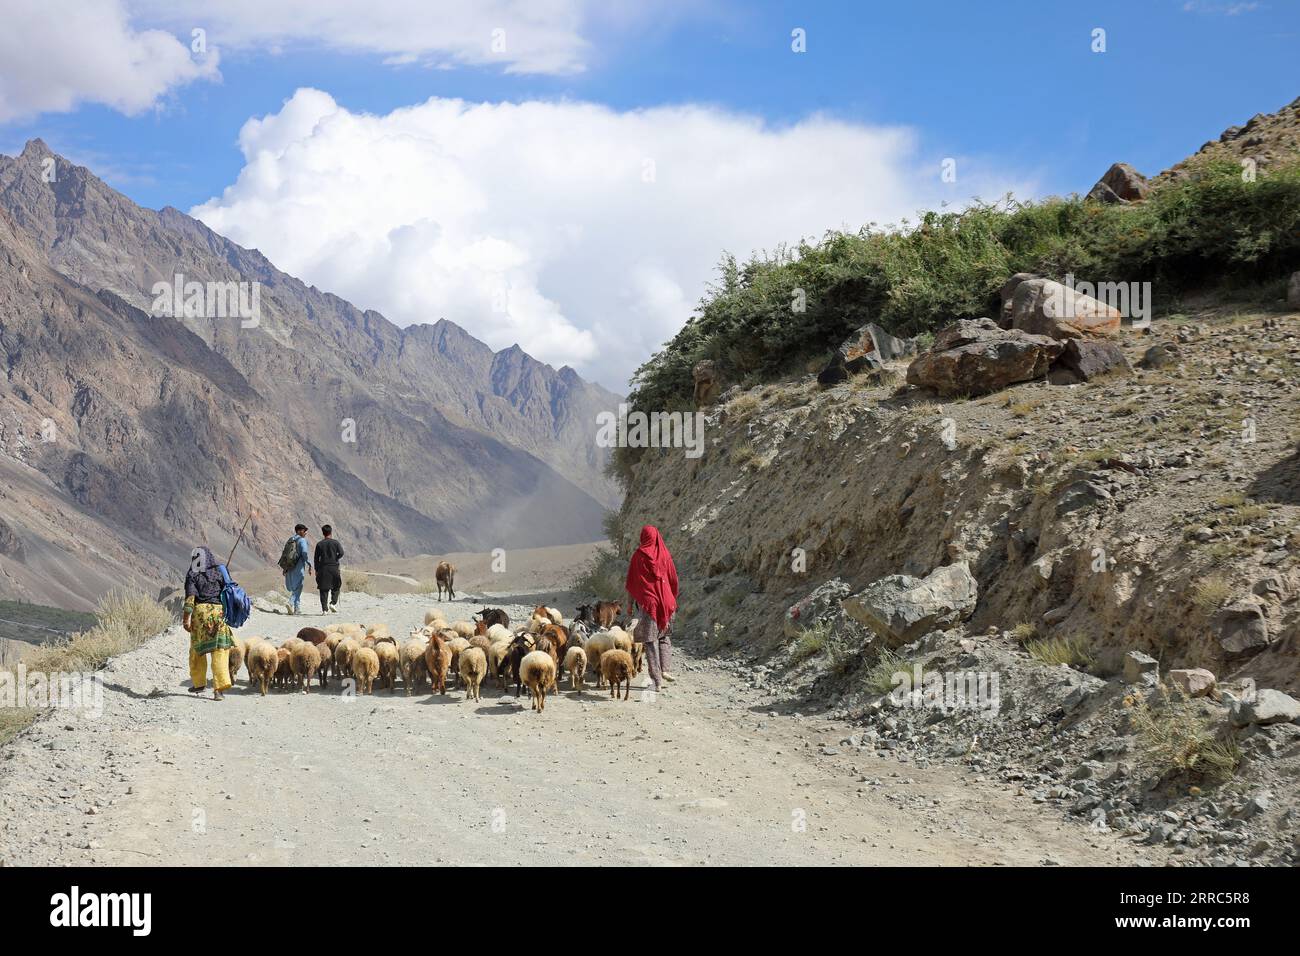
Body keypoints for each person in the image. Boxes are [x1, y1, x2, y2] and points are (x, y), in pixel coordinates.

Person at [625, 525, 679, 693]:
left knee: (650, 641)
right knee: (665, 636)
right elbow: (673, 580)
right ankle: (666, 670)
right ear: (657, 537)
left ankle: (657, 680)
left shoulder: (638, 557)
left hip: (649, 604)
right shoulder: (665, 554)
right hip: (667, 601)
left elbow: (632, 584)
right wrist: (671, 598)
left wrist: (629, 604)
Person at [182, 546, 234, 700]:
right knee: (220, 652)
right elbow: (228, 590)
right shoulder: (220, 571)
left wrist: (186, 619)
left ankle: (199, 683)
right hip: (219, 614)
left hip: (200, 616)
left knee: (197, 650)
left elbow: (190, 599)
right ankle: (219, 690)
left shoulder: (193, 573)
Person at [283, 523, 313, 614]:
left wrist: (285, 567)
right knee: (299, 587)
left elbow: (285, 554)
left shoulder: (290, 539)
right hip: (298, 568)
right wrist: (309, 563)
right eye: (304, 531)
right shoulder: (302, 540)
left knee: (296, 588)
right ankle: (290, 602)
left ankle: (297, 609)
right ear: (299, 531)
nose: (305, 533)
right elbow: (304, 552)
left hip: (289, 567)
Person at [314, 524, 345, 613]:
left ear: (323, 533)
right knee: (336, 585)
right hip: (334, 567)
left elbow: (316, 558)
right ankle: (333, 603)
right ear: (331, 532)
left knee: (323, 589)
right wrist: (336, 558)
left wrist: (316, 569)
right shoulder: (336, 543)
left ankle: (324, 609)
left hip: (323, 568)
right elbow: (342, 553)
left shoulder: (319, 544)